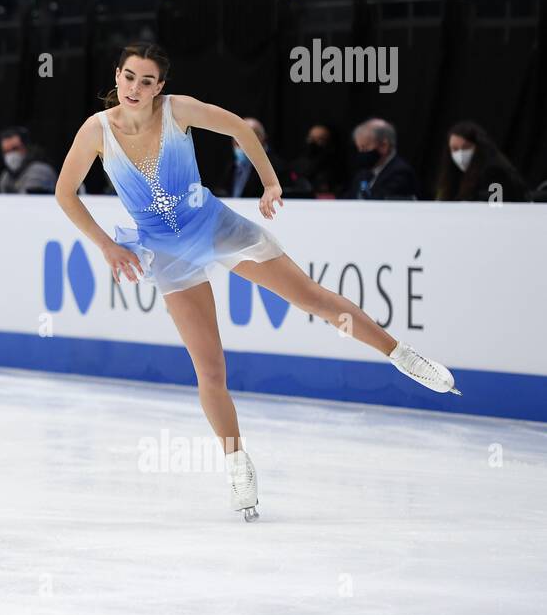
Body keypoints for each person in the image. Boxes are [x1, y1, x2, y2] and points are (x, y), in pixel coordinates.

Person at [55, 43, 462, 521]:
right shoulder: (96, 130)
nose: (135, 88)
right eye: (128, 77)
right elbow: (65, 192)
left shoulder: (177, 109)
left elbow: (239, 128)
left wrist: (270, 182)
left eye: (147, 80)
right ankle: (236, 463)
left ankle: (401, 354)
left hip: (217, 227)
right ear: (117, 76)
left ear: (160, 86)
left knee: (310, 296)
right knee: (209, 369)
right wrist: (107, 244)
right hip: (165, 252)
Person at [434, 120, 528, 203]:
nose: (460, 154)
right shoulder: (455, 174)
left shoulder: (494, 171)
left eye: (466, 147)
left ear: (479, 147)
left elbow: (495, 206)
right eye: (455, 149)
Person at [215, 117, 287, 198]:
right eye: (235, 142)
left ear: (258, 139)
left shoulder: (275, 165)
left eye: (240, 142)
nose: (238, 147)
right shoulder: (232, 163)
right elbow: (222, 190)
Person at [347, 118, 419, 200]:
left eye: (365, 148)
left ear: (384, 146)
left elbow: (381, 204)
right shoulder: (364, 171)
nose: (361, 153)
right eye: (359, 148)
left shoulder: (401, 173)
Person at [0, 125, 57, 193]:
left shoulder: (40, 171)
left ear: (26, 147)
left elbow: (30, 202)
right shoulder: (6, 176)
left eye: (15, 149)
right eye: (6, 151)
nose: (11, 155)